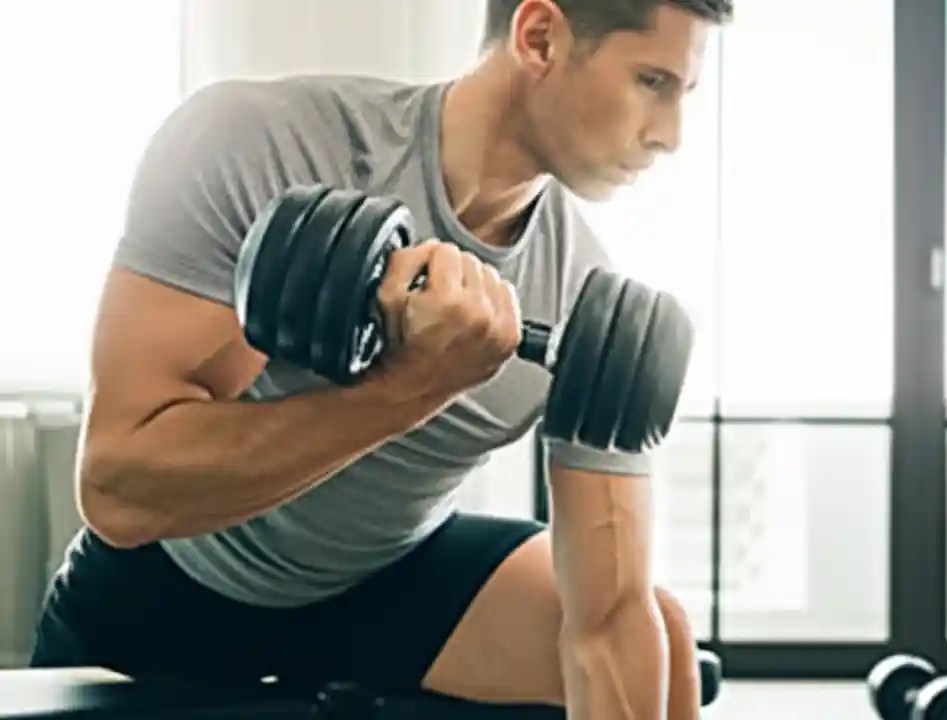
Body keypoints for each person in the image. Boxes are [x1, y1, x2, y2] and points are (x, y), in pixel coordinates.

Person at [28, 1, 733, 718]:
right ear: (540, 36)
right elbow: (119, 489)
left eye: (684, 92)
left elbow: (608, 621)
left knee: (661, 637)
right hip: (175, 584)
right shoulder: (267, 146)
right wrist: (413, 387)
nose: (670, 137)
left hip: (385, 578)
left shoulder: (581, 290)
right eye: (652, 82)